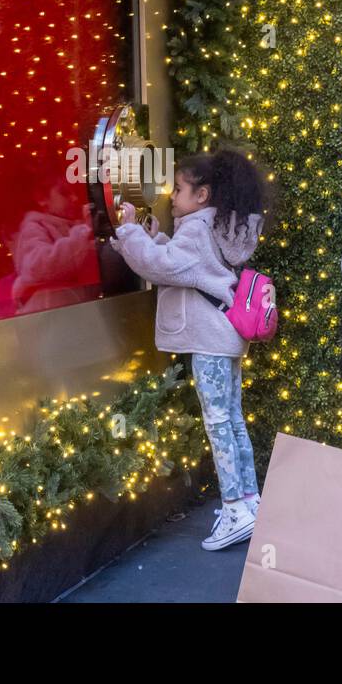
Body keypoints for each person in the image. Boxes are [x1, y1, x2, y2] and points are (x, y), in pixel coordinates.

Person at [110, 150, 269, 551]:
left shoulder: (197, 229)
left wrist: (129, 232)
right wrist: (157, 237)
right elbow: (187, 265)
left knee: (218, 423)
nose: (172, 196)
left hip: (208, 339)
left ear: (202, 195)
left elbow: (162, 266)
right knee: (232, 419)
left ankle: (234, 508)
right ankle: (250, 501)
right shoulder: (220, 228)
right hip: (226, 338)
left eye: (179, 189)